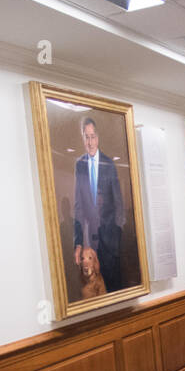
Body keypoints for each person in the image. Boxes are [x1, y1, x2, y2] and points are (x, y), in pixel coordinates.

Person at [72, 117, 125, 294]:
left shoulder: (108, 164)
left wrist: (117, 235)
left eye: (93, 136)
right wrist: (78, 242)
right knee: (95, 295)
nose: (90, 142)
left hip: (110, 242)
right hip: (91, 243)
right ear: (82, 138)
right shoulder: (79, 165)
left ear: (98, 138)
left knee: (113, 290)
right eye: (86, 137)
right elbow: (78, 207)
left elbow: (119, 202)